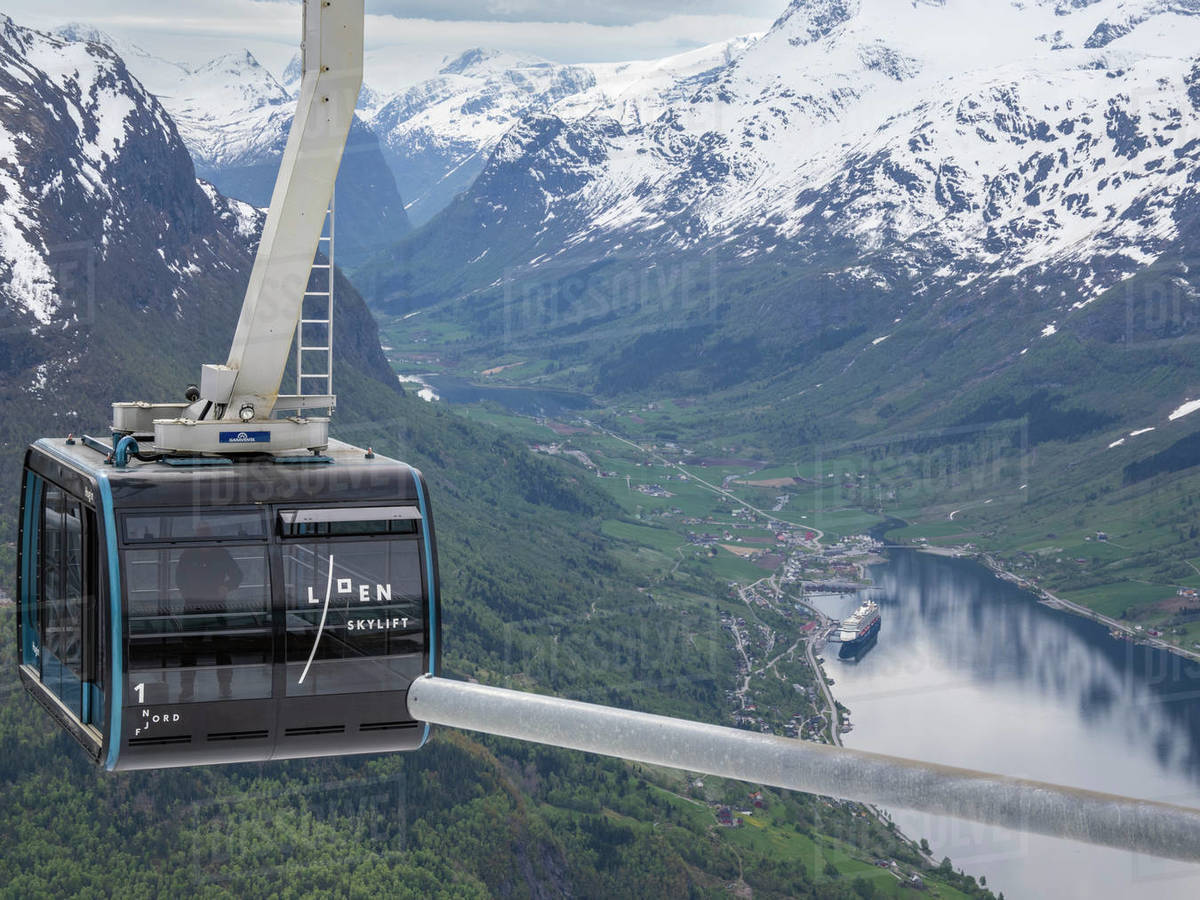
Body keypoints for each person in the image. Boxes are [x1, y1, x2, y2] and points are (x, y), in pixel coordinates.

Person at [175, 527, 243, 701]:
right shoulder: (188, 554)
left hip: (216, 607)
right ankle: (187, 688)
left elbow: (237, 575)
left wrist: (227, 587)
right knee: (189, 650)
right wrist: (187, 592)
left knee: (222, 649)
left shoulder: (221, 554)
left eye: (205, 537)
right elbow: (179, 578)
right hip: (193, 607)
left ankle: (225, 686)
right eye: (200, 537)